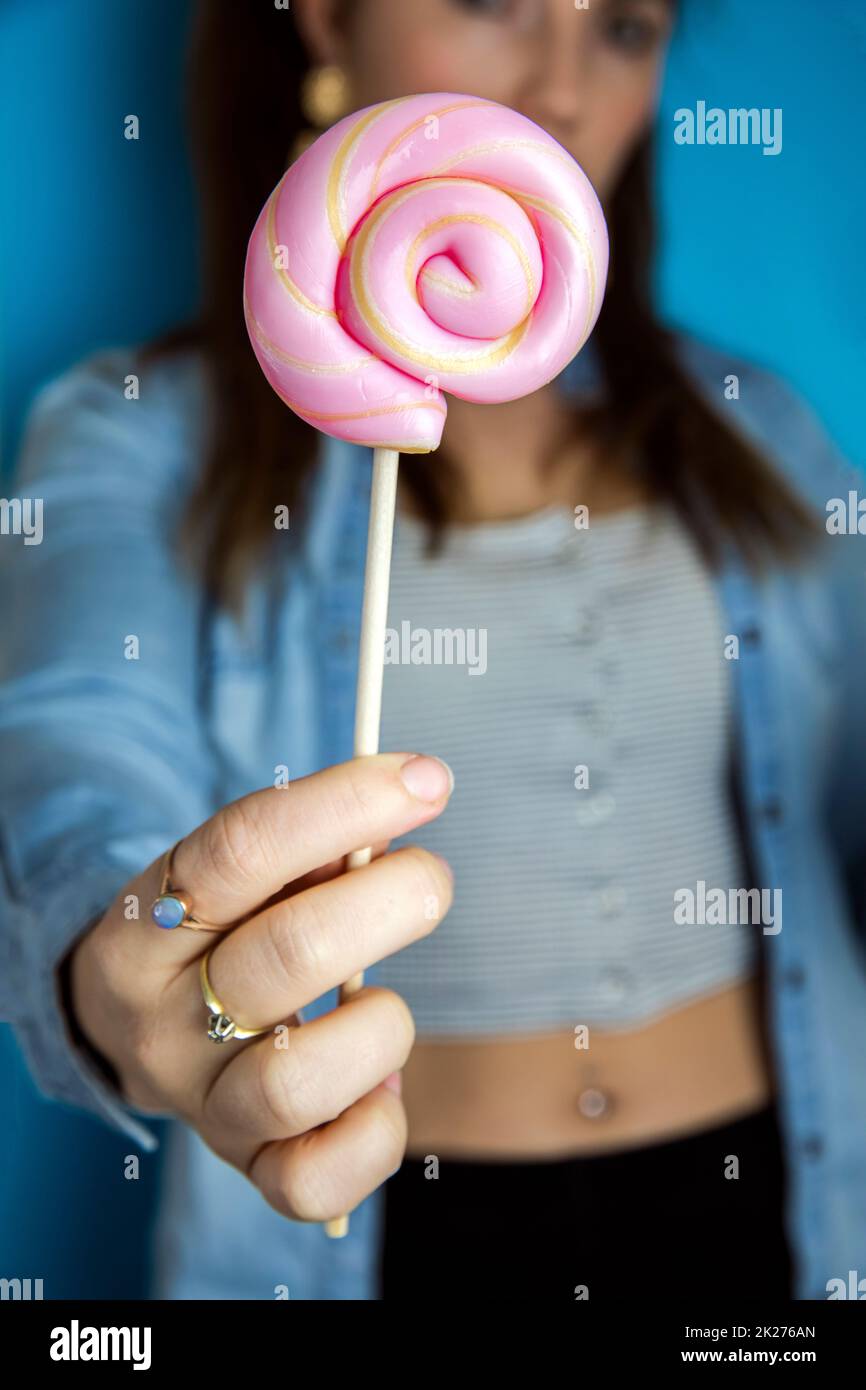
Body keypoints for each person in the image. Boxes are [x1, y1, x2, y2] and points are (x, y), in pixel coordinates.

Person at [1, 0, 864, 1302]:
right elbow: (77, 752)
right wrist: (133, 980)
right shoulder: (133, 436)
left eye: (624, 28)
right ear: (327, 23)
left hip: (771, 1207)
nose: (561, 88)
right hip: (391, 1239)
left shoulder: (757, 435)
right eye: (494, 3)